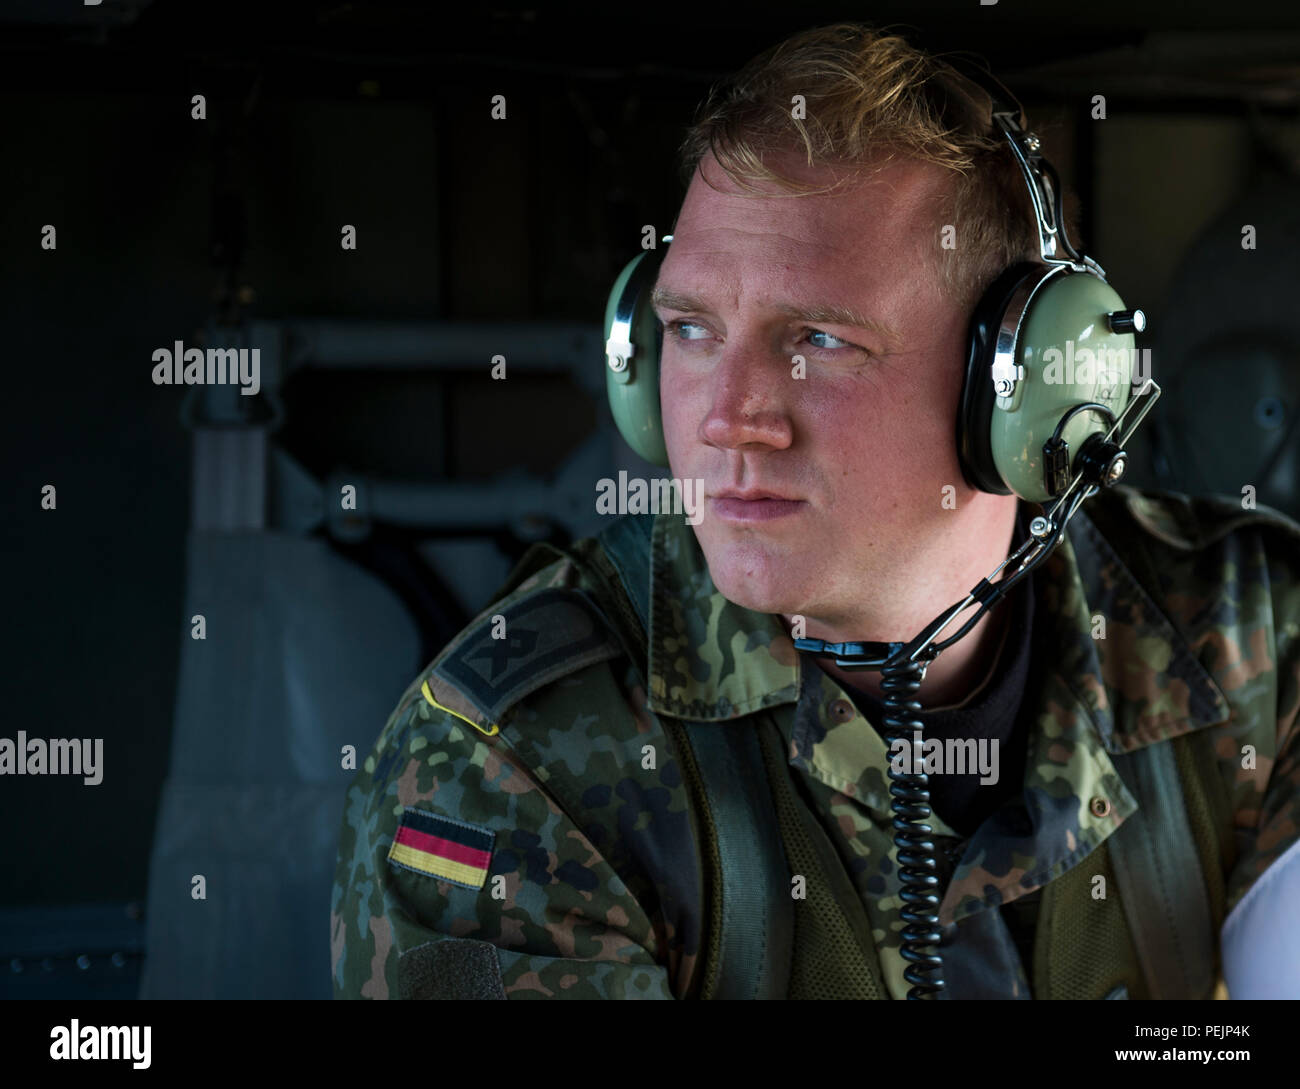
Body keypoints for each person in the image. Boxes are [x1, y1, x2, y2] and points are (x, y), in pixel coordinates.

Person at [331, 22, 1300, 1000]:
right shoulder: (509, 764)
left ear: (1030, 391)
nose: (725, 419)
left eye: (821, 340)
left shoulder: (1251, 629)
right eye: (691, 329)